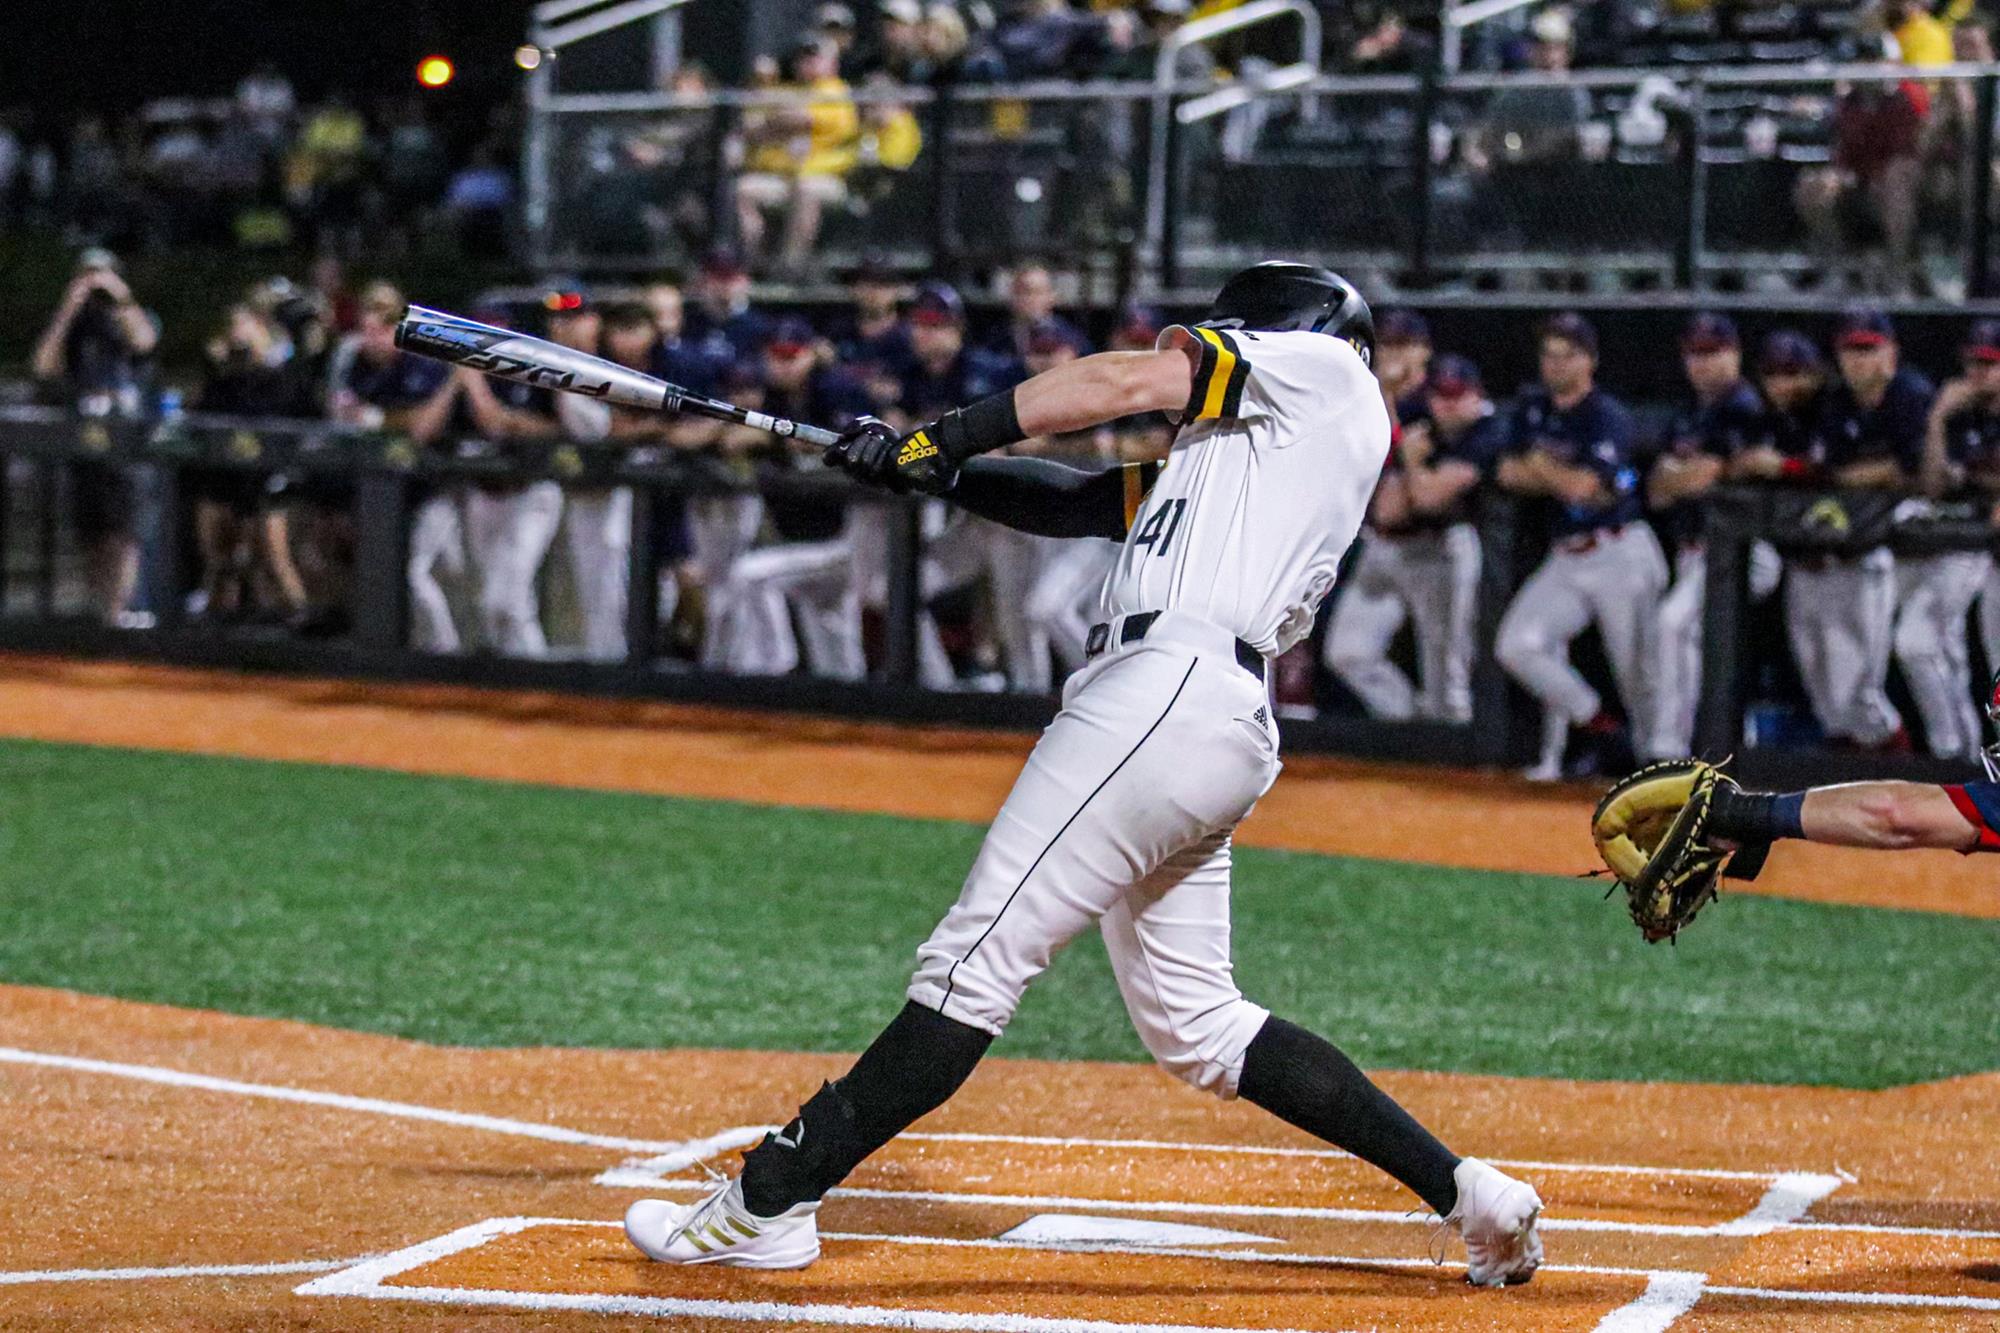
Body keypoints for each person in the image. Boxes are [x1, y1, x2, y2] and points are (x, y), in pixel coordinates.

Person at [622, 262, 1545, 1289]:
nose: (1189, 348)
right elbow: (1076, 502)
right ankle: (1472, 1194)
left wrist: (943, 433)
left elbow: (1114, 384)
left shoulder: (1323, 371)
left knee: (971, 965)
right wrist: (923, 472)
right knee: (1200, 1024)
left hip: (1165, 690)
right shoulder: (1258, 450)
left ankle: (766, 1200)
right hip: (1208, 715)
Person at [1495, 312, 1664, 781]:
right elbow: (1507, 474)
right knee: (1517, 646)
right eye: (1548, 354)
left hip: (1621, 552)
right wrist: (1551, 473)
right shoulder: (1534, 407)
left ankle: (1659, 771)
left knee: (1639, 675)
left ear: (1589, 360)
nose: (1555, 364)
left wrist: (1540, 467)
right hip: (1567, 555)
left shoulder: (1604, 415)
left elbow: (1585, 488)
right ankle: (1603, 728)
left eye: (1567, 354)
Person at [1324, 354, 1501, 723]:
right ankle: (1413, 730)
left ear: (1477, 396)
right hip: (1385, 549)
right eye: (1441, 395)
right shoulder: (1418, 413)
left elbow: (1427, 498)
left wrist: (1412, 460)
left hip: (1441, 552)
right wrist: (1389, 393)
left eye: (1458, 395)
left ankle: (1453, 760)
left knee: (1445, 677)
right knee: (1348, 653)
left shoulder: (1487, 431)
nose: (1447, 404)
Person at [1786, 309, 1926, 751]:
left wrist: (1844, 477)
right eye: (1850, 350)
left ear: (1891, 353)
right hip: (1829, 554)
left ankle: (1914, 771)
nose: (1859, 360)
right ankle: (1846, 782)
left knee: (1862, 689)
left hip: (1884, 555)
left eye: (1868, 349)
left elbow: (1911, 471)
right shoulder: (1833, 403)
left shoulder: (1911, 395)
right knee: (1825, 693)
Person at [1646, 313, 1780, 759]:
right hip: (1695, 552)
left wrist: (1685, 475)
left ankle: (1668, 753)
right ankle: (1730, 753)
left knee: (1673, 624)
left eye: (1713, 353)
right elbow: (1656, 493)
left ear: (1735, 355)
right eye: (1695, 354)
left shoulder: (1746, 405)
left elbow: (1709, 475)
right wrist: (1689, 476)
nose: (1703, 364)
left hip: (1744, 551)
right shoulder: (1688, 413)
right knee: (1710, 652)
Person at [329, 286, 463, 651]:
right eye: (366, 329)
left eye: (378, 330)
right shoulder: (356, 363)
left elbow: (423, 427)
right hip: (387, 492)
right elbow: (343, 415)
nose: (369, 339)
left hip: (437, 489)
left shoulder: (424, 362)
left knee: (417, 575)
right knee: (401, 575)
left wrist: (377, 419)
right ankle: (426, 652)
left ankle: (447, 653)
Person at [30, 248, 159, 625]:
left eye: (101, 274)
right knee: (93, 530)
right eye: (87, 275)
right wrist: (69, 309)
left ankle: (120, 610)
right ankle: (102, 611)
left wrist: (120, 297)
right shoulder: (74, 325)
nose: (94, 284)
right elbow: (42, 366)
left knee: (124, 528)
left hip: (124, 435)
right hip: (83, 434)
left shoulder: (130, 315)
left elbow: (146, 342)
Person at [1900, 318, 2000, 759]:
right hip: (1974, 554)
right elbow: (1933, 487)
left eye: (1990, 363)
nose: (1980, 372)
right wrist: (1938, 419)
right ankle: (1961, 757)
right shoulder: (1963, 419)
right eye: (1973, 363)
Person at [735, 37, 859, 274]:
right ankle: (754, 264)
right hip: (784, 178)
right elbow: (750, 124)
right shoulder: (786, 89)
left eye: (816, 57)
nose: (809, 63)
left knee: (806, 188)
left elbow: (801, 119)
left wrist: (775, 115)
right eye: (804, 57)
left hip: (829, 179)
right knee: (744, 189)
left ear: (832, 64)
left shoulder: (837, 92)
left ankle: (790, 267)